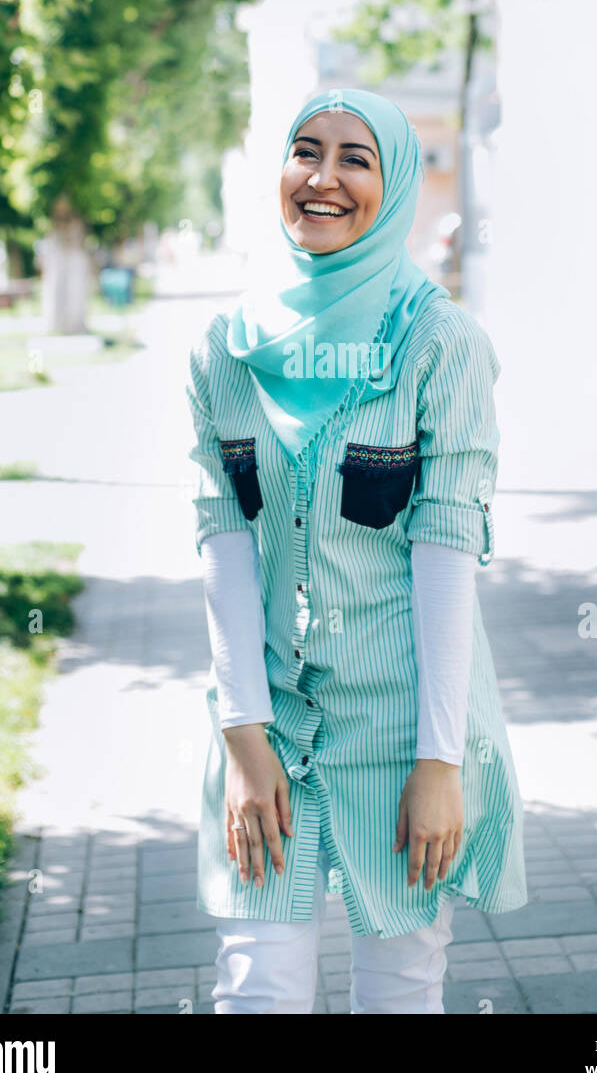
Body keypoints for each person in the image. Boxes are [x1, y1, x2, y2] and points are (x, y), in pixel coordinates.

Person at [186, 87, 527, 1015]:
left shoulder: (439, 344)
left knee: (403, 988)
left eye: (356, 158)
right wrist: (242, 734)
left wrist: (440, 760)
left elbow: (447, 557)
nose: (323, 177)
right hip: (267, 725)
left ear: (397, 183)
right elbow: (224, 538)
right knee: (255, 987)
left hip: (403, 725)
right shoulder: (228, 347)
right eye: (306, 151)